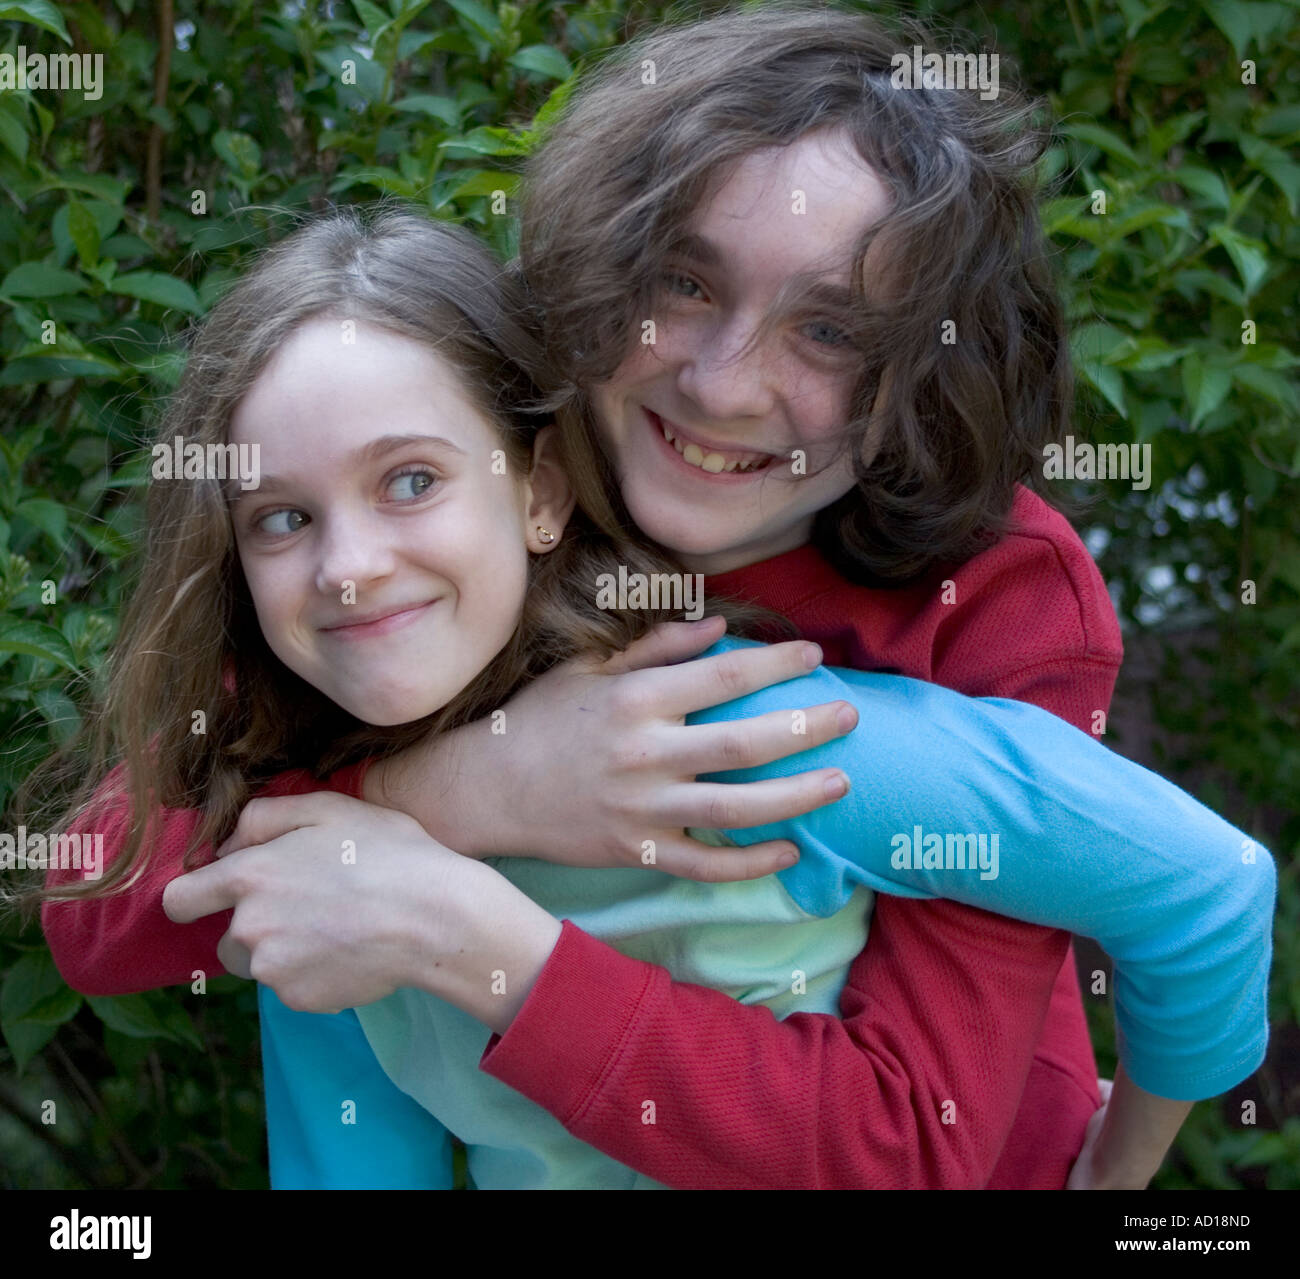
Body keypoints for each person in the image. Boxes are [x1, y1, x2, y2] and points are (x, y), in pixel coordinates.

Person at [29, 205, 1272, 1191]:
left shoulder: (738, 736)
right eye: (281, 518)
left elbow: (1205, 886)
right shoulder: (324, 864)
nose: (346, 563)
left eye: (410, 481)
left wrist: (1125, 1159)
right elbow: (316, 1127)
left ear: (541, 493)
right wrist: (433, 797)